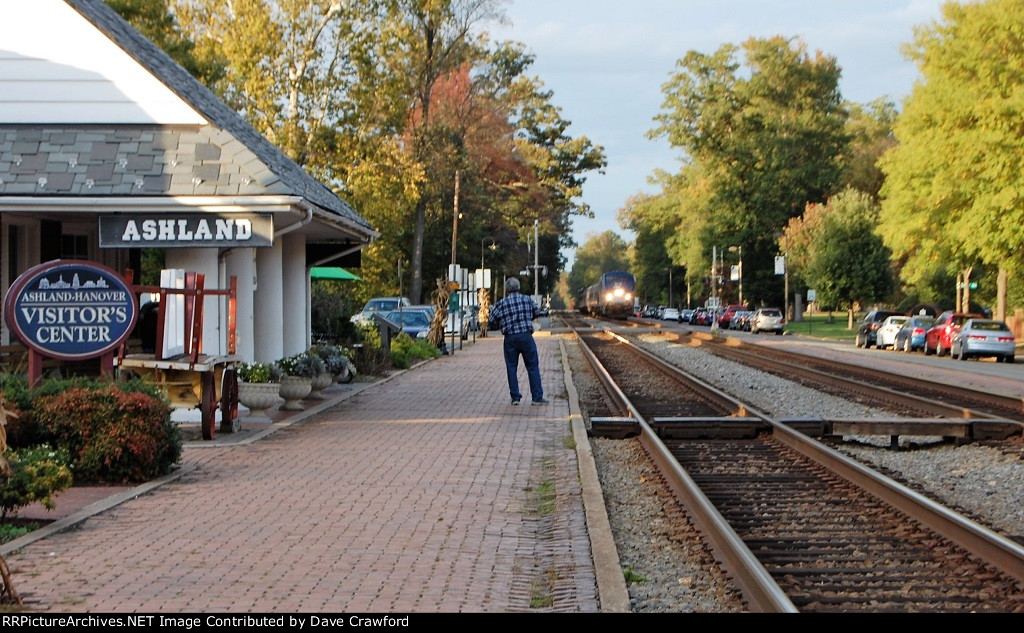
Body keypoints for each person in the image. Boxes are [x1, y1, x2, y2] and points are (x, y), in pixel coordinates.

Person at [488, 277, 549, 406]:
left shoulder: (502, 303)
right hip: (526, 336)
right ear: (519, 287)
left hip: (510, 338)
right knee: (532, 367)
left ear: (507, 290)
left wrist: (503, 321)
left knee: (511, 367)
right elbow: (537, 313)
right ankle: (537, 397)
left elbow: (492, 319)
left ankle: (515, 397)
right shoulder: (527, 300)